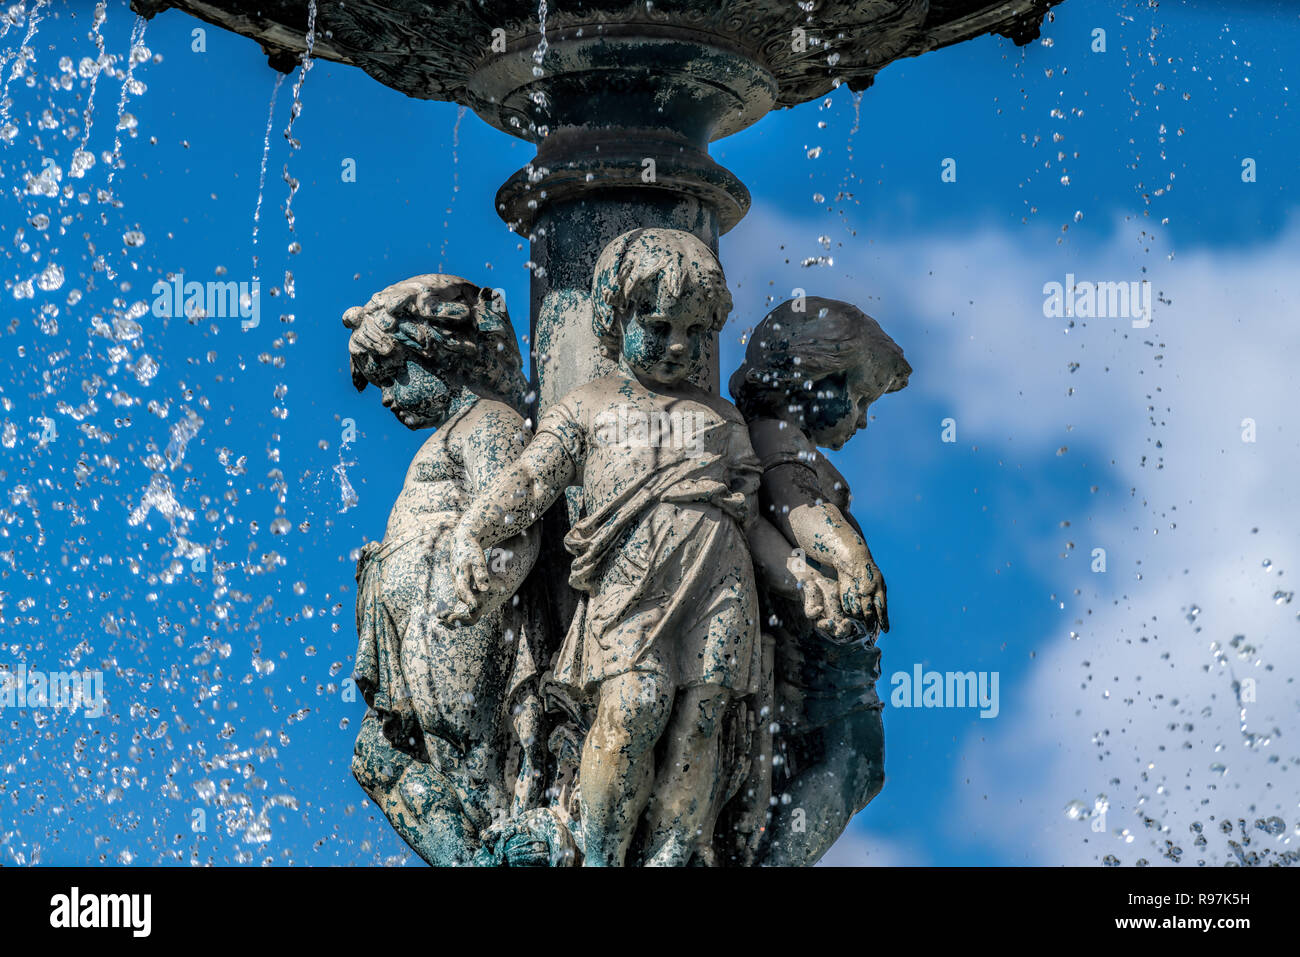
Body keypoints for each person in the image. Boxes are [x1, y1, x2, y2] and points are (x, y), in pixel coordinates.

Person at [444, 228, 769, 866]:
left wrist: (804, 575)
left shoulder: (724, 419)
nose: (680, 346)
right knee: (633, 709)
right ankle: (599, 853)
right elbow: (532, 481)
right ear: (614, 318)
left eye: (697, 332)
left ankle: (673, 856)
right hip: (631, 583)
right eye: (659, 325)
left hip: (719, 578)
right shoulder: (587, 407)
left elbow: (750, 519)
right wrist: (477, 527)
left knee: (702, 723)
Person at [344, 274, 546, 864]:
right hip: (415, 636)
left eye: (394, 375)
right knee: (375, 757)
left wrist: (486, 586)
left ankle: (501, 845)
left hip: (459, 615)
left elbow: (518, 522)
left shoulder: (490, 423)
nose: (387, 397)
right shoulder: (449, 434)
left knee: (472, 765)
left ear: (438, 351)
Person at [729, 295, 911, 865]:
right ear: (807, 376)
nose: (861, 419)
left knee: (846, 766)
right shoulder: (776, 437)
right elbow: (796, 507)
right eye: (855, 397)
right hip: (811, 659)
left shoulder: (789, 441)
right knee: (847, 762)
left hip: (827, 656)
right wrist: (852, 556)